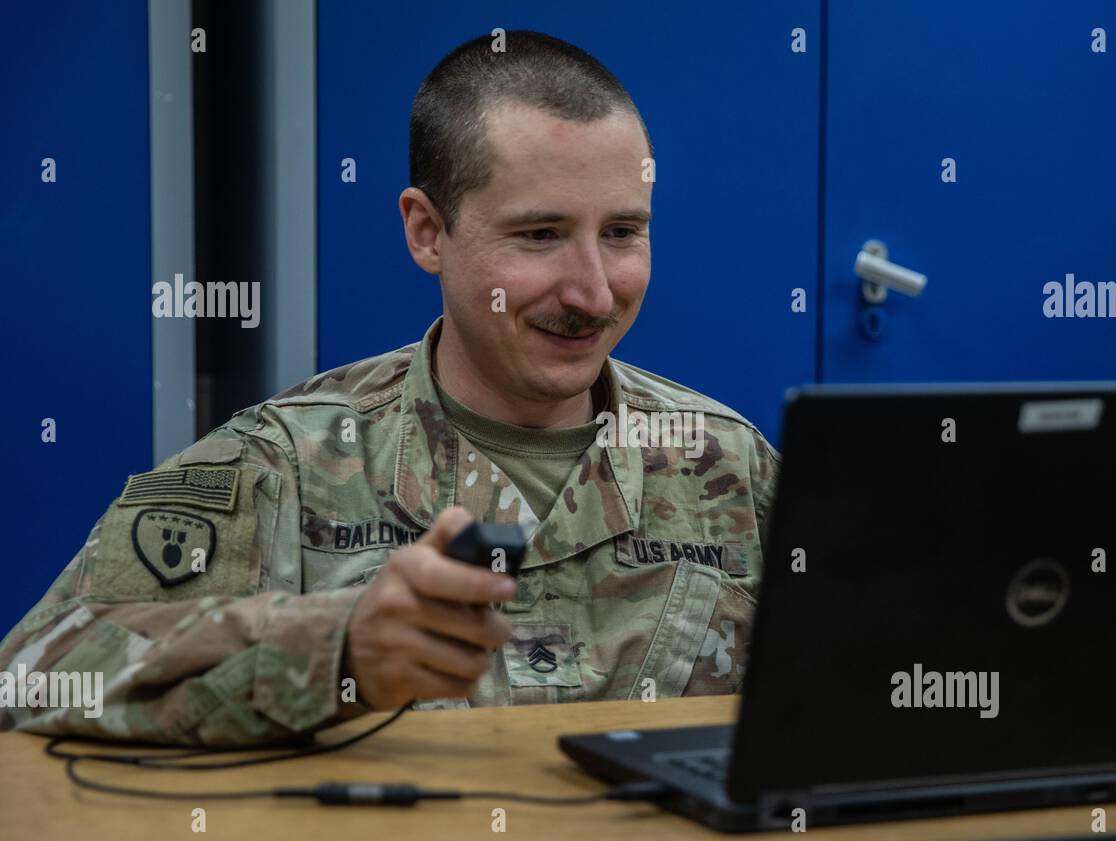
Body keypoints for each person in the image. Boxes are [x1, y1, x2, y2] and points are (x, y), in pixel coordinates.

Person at [0, 30, 779, 746]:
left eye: (622, 232)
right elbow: (30, 675)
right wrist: (332, 647)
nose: (594, 293)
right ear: (427, 232)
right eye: (540, 234)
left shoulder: (728, 466)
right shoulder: (290, 464)